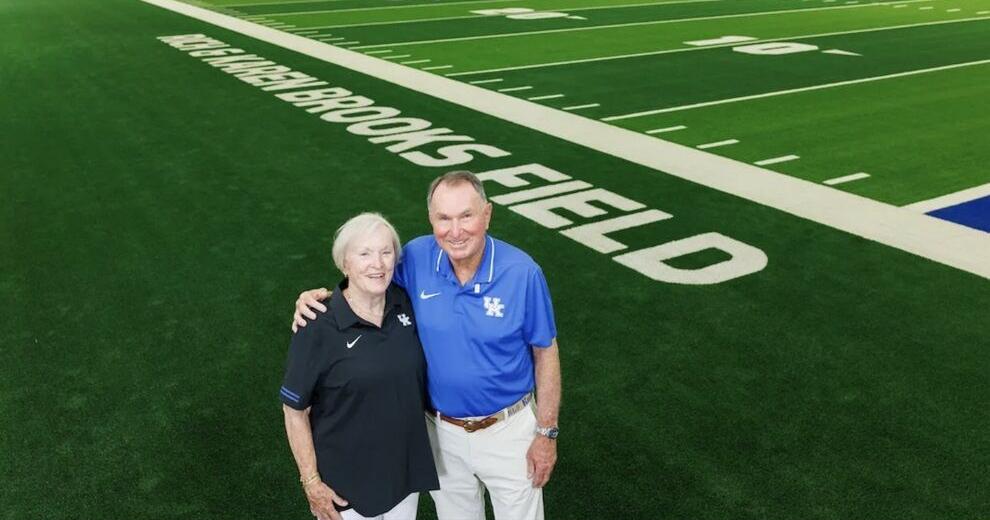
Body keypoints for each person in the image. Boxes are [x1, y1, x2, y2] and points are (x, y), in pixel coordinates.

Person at [293, 171, 562, 520]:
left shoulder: (523, 273)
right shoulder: (416, 258)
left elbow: (545, 351)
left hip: (508, 433)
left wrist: (546, 432)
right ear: (431, 220)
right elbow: (369, 278)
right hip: (441, 435)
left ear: (487, 215)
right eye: (444, 218)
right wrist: (321, 300)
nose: (456, 231)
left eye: (466, 216)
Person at [281, 213, 439, 520]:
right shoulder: (316, 324)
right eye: (364, 254)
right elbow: (294, 410)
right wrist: (311, 482)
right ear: (345, 263)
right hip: (345, 488)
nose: (377, 264)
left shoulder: (406, 303)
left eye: (385, 252)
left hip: (403, 477)